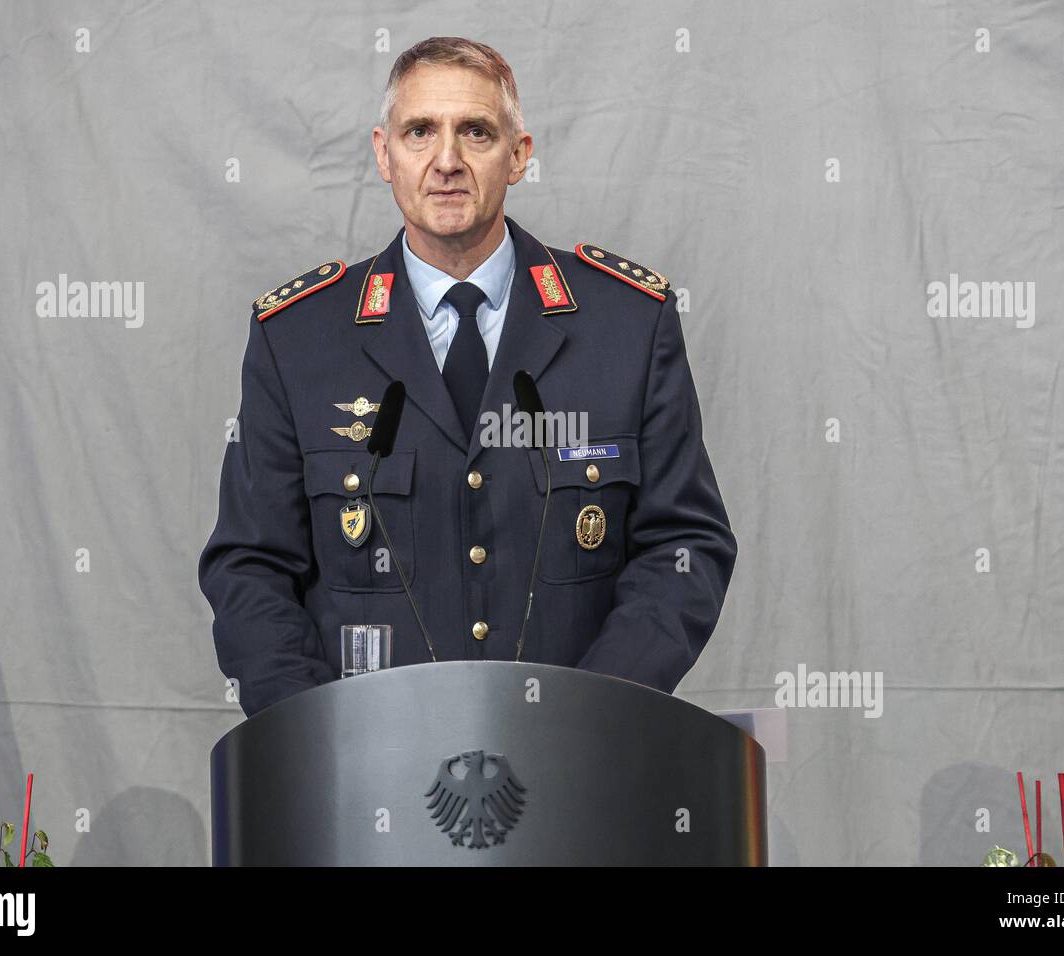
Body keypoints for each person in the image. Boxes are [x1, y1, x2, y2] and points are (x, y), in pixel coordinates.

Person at [199, 36, 737, 718]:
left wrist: (592, 716)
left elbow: (685, 546)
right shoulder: (299, 340)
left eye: (475, 132)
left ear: (519, 156)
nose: (446, 161)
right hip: (365, 774)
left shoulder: (626, 326)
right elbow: (251, 568)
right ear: (382, 153)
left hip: (578, 766)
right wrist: (319, 741)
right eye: (420, 131)